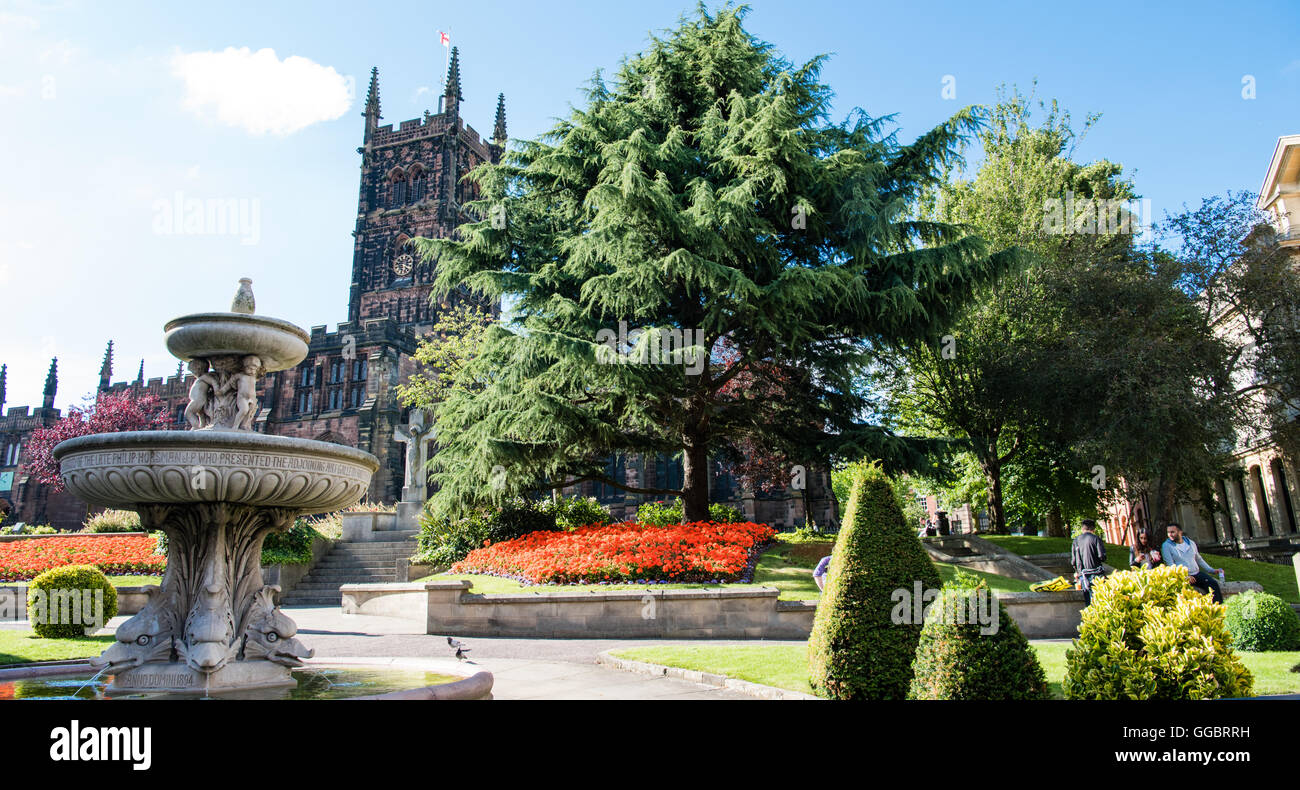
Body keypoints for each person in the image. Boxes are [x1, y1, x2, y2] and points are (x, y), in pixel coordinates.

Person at [1161, 522, 1224, 603]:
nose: (1170, 534)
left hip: (1196, 573)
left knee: (1213, 584)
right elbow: (1170, 565)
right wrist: (1185, 576)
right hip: (1181, 577)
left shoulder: (1191, 543)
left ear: (1180, 532)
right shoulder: (1166, 546)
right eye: (1168, 532)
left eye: (1172, 532)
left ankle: (1219, 608)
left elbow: (1199, 559)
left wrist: (1212, 570)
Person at [1070, 519, 1107, 605]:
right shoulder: (1096, 539)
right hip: (1097, 573)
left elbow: (1074, 561)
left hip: (1083, 575)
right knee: (1099, 599)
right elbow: (1102, 556)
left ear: (1083, 529)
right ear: (1093, 529)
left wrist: (1077, 572)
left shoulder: (1076, 541)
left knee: (1088, 600)